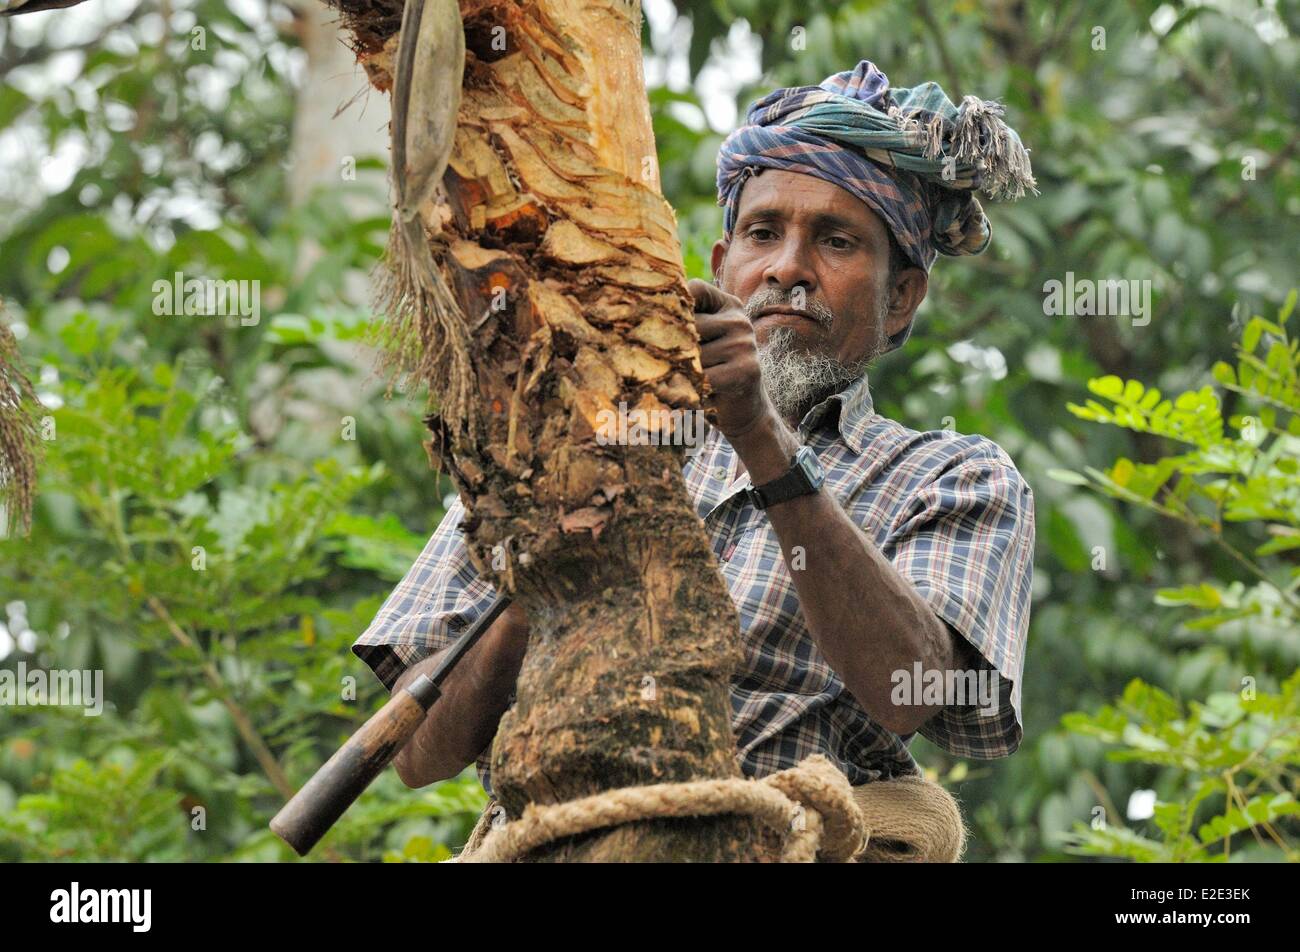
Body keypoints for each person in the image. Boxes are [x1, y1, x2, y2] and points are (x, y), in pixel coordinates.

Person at [353, 59, 1037, 797]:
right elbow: (417, 754)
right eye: (763, 232)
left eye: (837, 242)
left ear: (901, 296)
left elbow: (915, 693)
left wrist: (761, 437)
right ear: (720, 262)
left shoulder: (953, 476)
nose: (788, 268)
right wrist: (548, 563)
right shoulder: (573, 429)